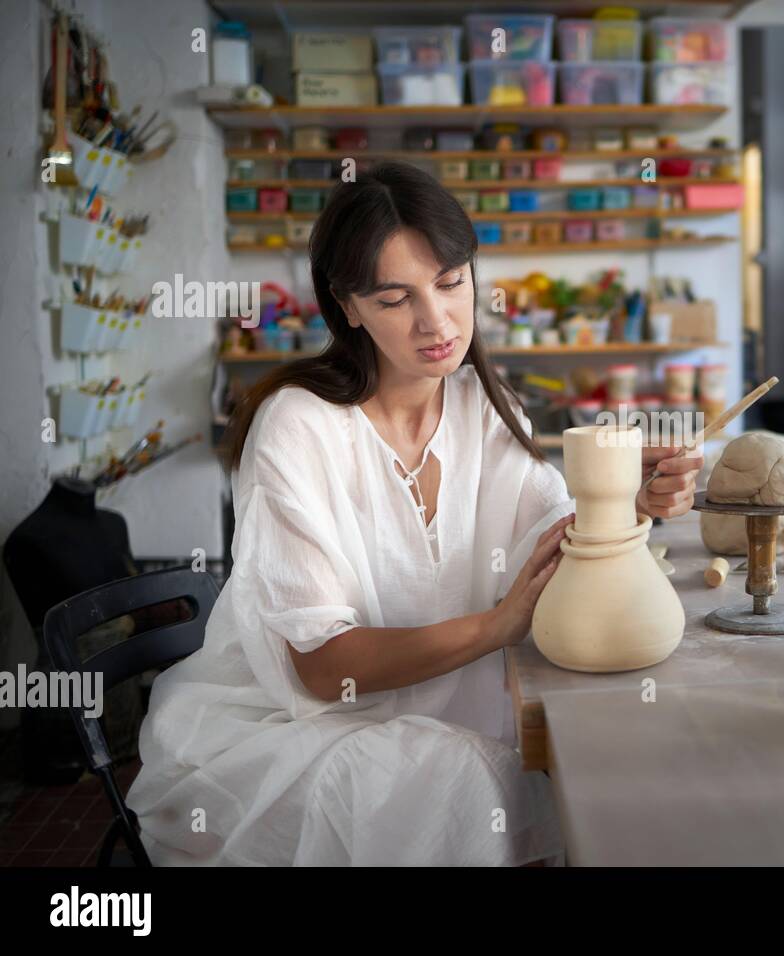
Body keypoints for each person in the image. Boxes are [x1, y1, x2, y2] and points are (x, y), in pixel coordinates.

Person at [126, 162, 703, 865]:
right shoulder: (298, 428)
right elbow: (321, 667)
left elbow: (549, 552)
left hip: (458, 716)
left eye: (452, 283)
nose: (436, 321)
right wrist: (496, 626)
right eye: (396, 298)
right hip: (304, 729)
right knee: (479, 788)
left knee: (599, 759)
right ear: (348, 306)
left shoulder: (486, 409)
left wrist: (627, 502)